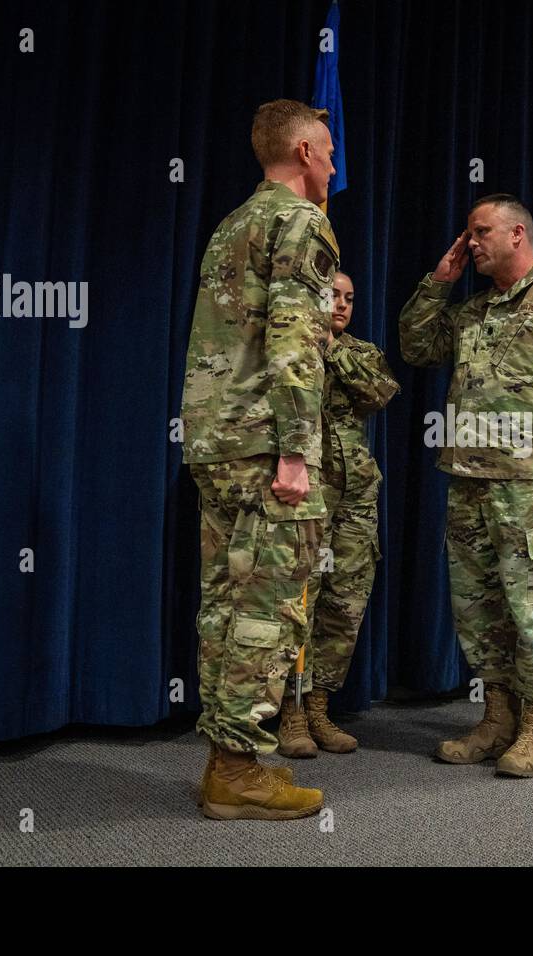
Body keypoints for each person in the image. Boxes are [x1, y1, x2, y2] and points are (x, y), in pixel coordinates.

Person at [399, 194, 533, 777]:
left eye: (481, 232)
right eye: (468, 233)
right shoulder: (472, 311)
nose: (471, 243)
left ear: (518, 234)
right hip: (469, 484)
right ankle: (496, 718)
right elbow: (416, 346)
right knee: (478, 611)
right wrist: (438, 281)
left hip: (531, 489)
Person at [180, 99, 338, 819]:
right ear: (303, 153)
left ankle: (228, 759)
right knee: (268, 607)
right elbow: (294, 343)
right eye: (328, 150)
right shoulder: (299, 222)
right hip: (264, 444)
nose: (334, 165)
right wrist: (298, 452)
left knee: (224, 601)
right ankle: (238, 769)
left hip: (216, 439)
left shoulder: (232, 223)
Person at [279, 271, 399, 756]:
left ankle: (319, 707)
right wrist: (315, 343)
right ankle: (290, 709)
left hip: (356, 496)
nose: (344, 304)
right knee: (298, 602)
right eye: (334, 295)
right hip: (308, 494)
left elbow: (380, 391)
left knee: (344, 605)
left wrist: (332, 346)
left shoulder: (360, 351)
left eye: (351, 298)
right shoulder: (291, 348)